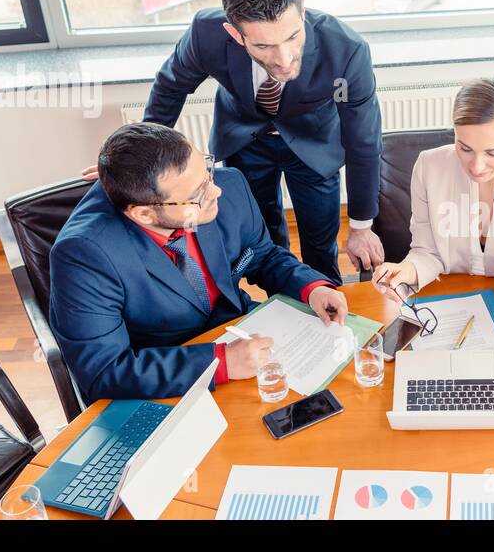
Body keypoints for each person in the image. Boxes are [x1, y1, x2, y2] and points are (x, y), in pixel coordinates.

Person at [99, 0, 386, 283]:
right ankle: (281, 298)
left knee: (319, 240)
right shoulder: (206, 34)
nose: (284, 58)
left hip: (314, 144)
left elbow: (363, 141)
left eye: (292, 37)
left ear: (302, 11)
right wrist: (135, 160)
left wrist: (362, 225)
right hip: (244, 139)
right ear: (235, 33)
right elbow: (170, 88)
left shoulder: (346, 50)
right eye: (264, 45)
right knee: (259, 237)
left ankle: (324, 301)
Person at [51, 122, 349, 401]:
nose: (215, 191)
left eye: (207, 172)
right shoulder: (84, 255)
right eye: (197, 195)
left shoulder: (228, 186)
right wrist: (219, 361)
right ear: (144, 214)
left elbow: (265, 256)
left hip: (241, 333)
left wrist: (312, 288)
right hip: (169, 375)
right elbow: (104, 372)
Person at [372, 79, 494, 368]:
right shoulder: (428, 167)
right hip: (444, 307)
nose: (477, 167)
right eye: (464, 148)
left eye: (493, 153)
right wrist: (406, 270)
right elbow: (428, 252)